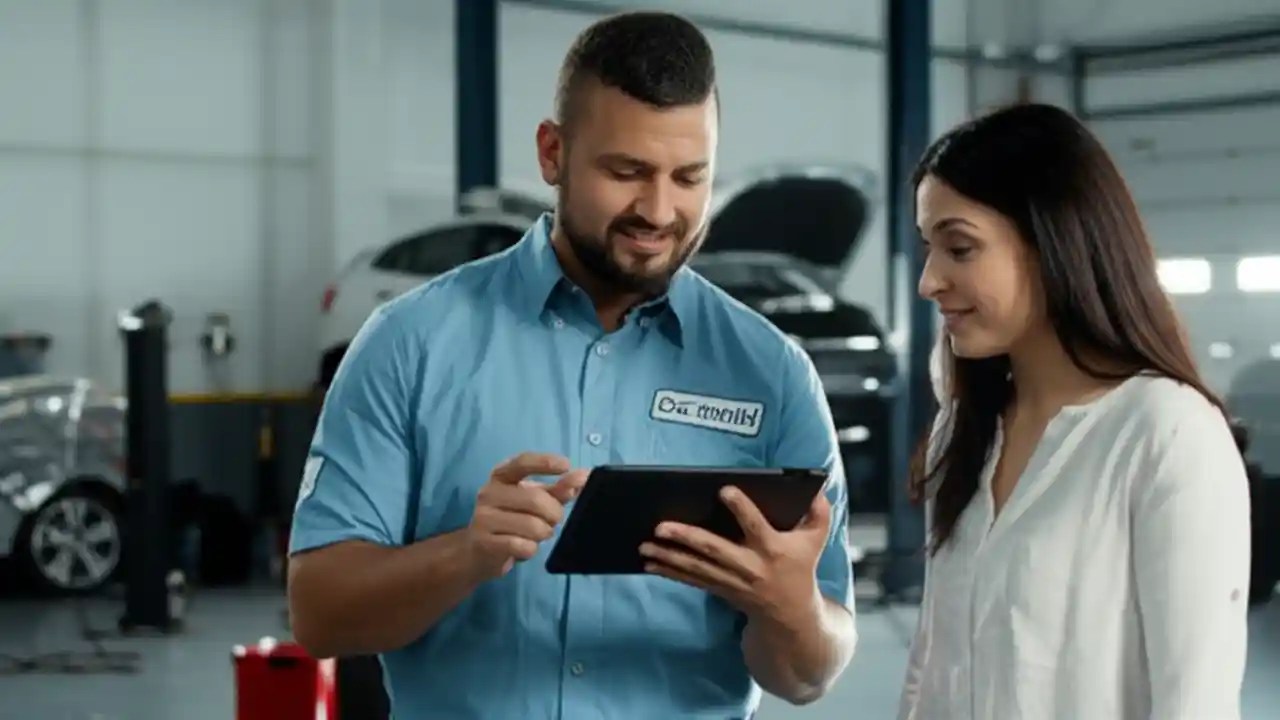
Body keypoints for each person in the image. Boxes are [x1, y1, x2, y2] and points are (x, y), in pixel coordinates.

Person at [287, 11, 857, 719]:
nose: (658, 210)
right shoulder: (410, 344)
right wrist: (464, 555)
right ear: (551, 153)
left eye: (689, 177)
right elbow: (318, 614)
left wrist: (790, 608)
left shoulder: (772, 375)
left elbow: (809, 674)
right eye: (626, 172)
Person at [898, 103, 1252, 719]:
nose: (929, 281)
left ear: (1051, 243)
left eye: (959, 248)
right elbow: (932, 664)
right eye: (930, 248)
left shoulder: (1166, 432)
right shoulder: (967, 425)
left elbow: (1195, 701)